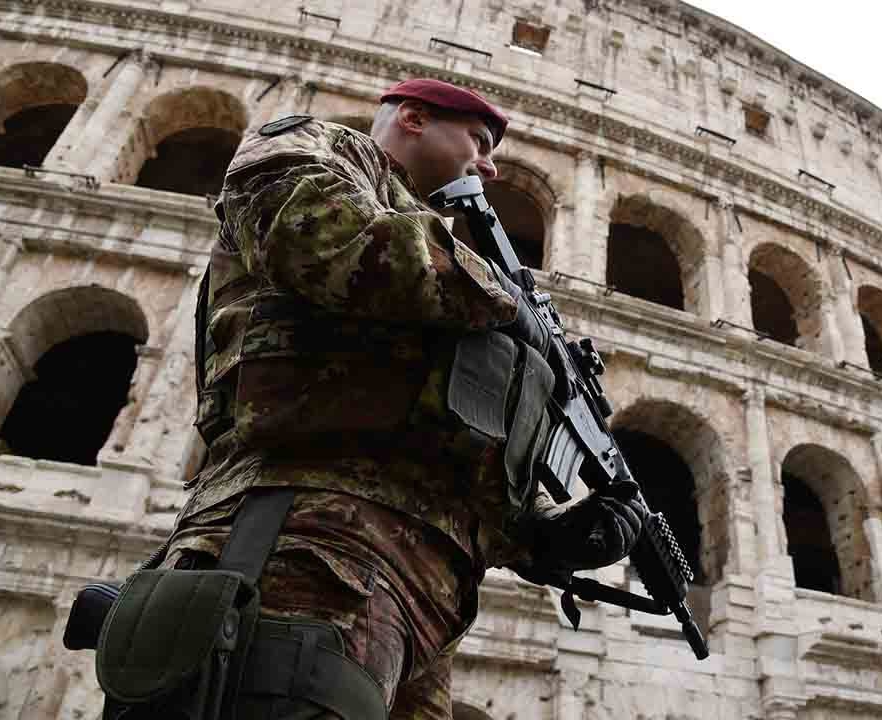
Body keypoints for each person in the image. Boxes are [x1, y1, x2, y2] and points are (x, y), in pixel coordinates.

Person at [161, 78, 648, 718]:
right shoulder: (313, 147)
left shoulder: (450, 267)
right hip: (303, 533)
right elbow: (329, 241)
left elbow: (456, 451)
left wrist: (549, 536)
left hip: (426, 606)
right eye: (478, 140)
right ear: (414, 118)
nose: (491, 163)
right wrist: (514, 306)